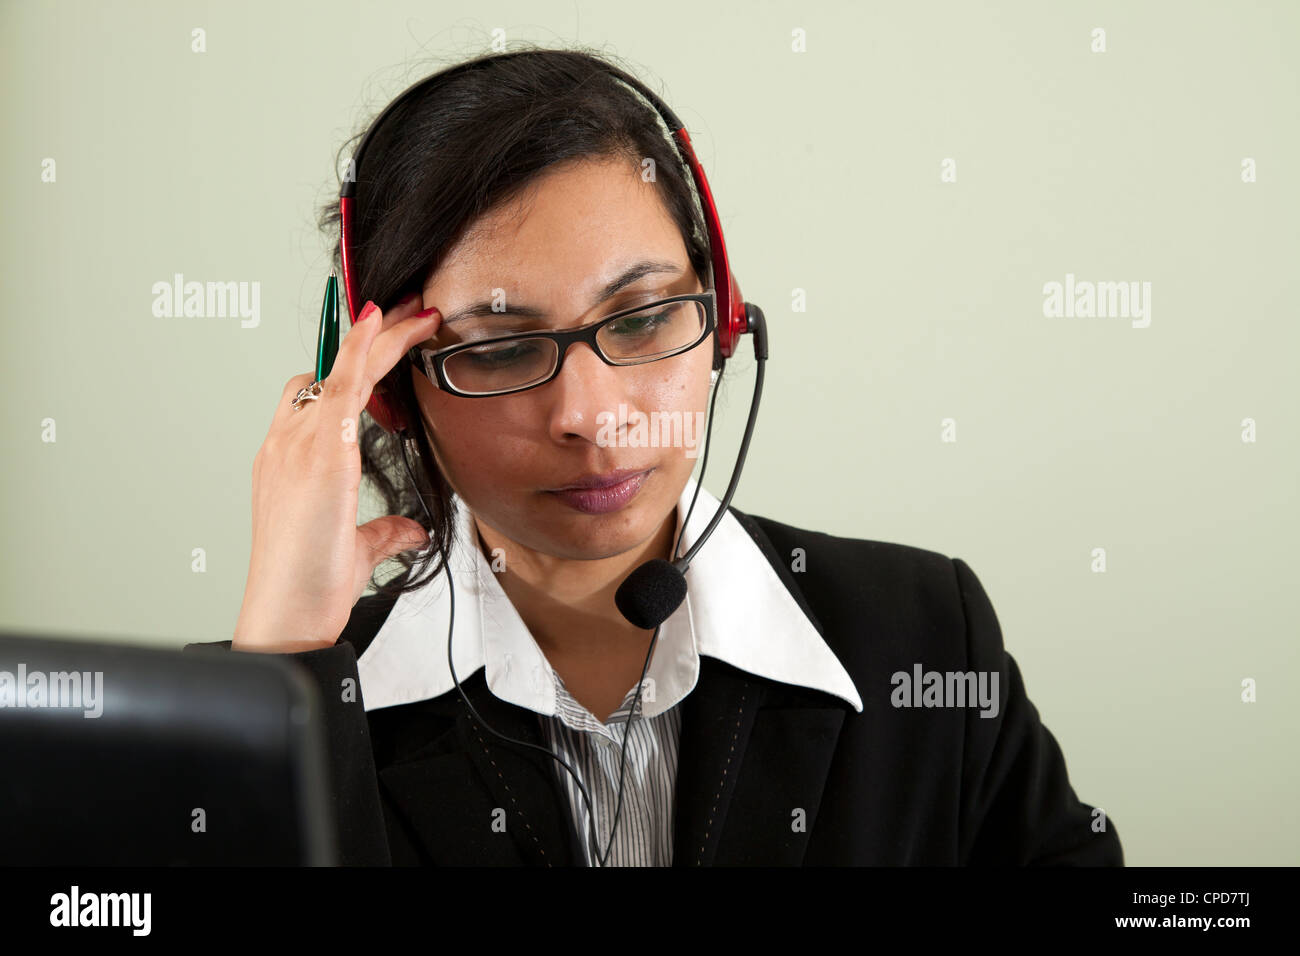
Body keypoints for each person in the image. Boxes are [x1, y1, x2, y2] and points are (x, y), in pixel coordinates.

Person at [188, 46, 1123, 867]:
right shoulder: (269, 700)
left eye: (640, 320)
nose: (592, 419)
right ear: (391, 388)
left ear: (720, 322)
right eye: (502, 348)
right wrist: (285, 669)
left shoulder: (924, 636)